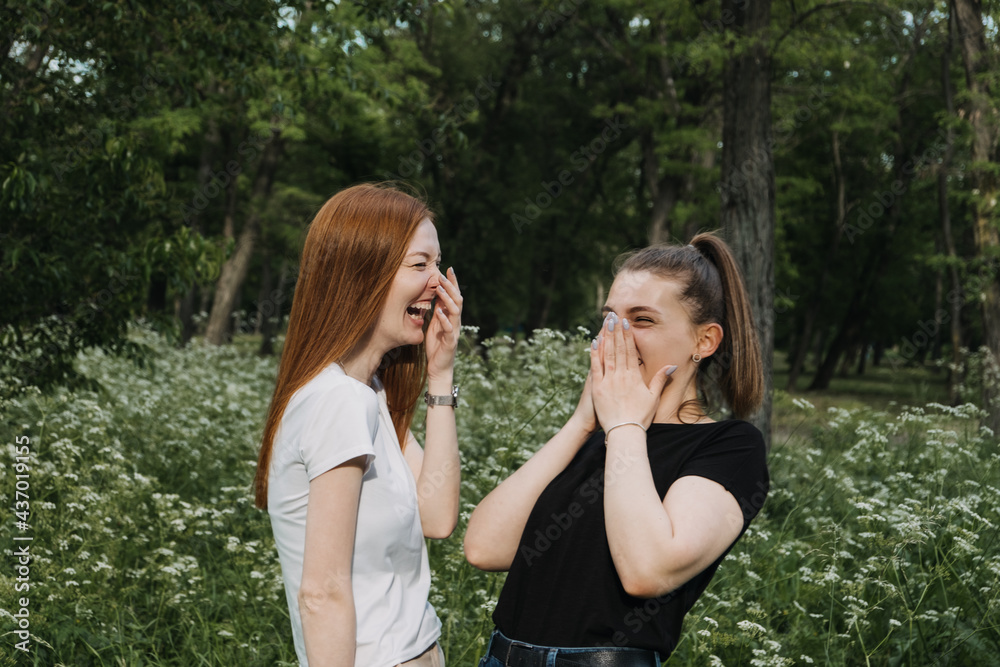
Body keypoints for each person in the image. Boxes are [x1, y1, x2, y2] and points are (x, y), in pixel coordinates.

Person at [464, 232, 768, 666]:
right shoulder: (596, 436)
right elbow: (484, 547)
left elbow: (647, 570)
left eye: (642, 320)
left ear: (704, 341)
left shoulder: (729, 446)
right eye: (610, 319)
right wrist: (582, 421)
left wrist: (624, 423)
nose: (617, 335)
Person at [253, 183, 463, 667]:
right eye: (420, 264)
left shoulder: (368, 392)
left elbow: (437, 516)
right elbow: (322, 594)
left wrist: (441, 375)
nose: (439, 283)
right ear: (361, 274)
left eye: (438, 263)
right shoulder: (338, 401)